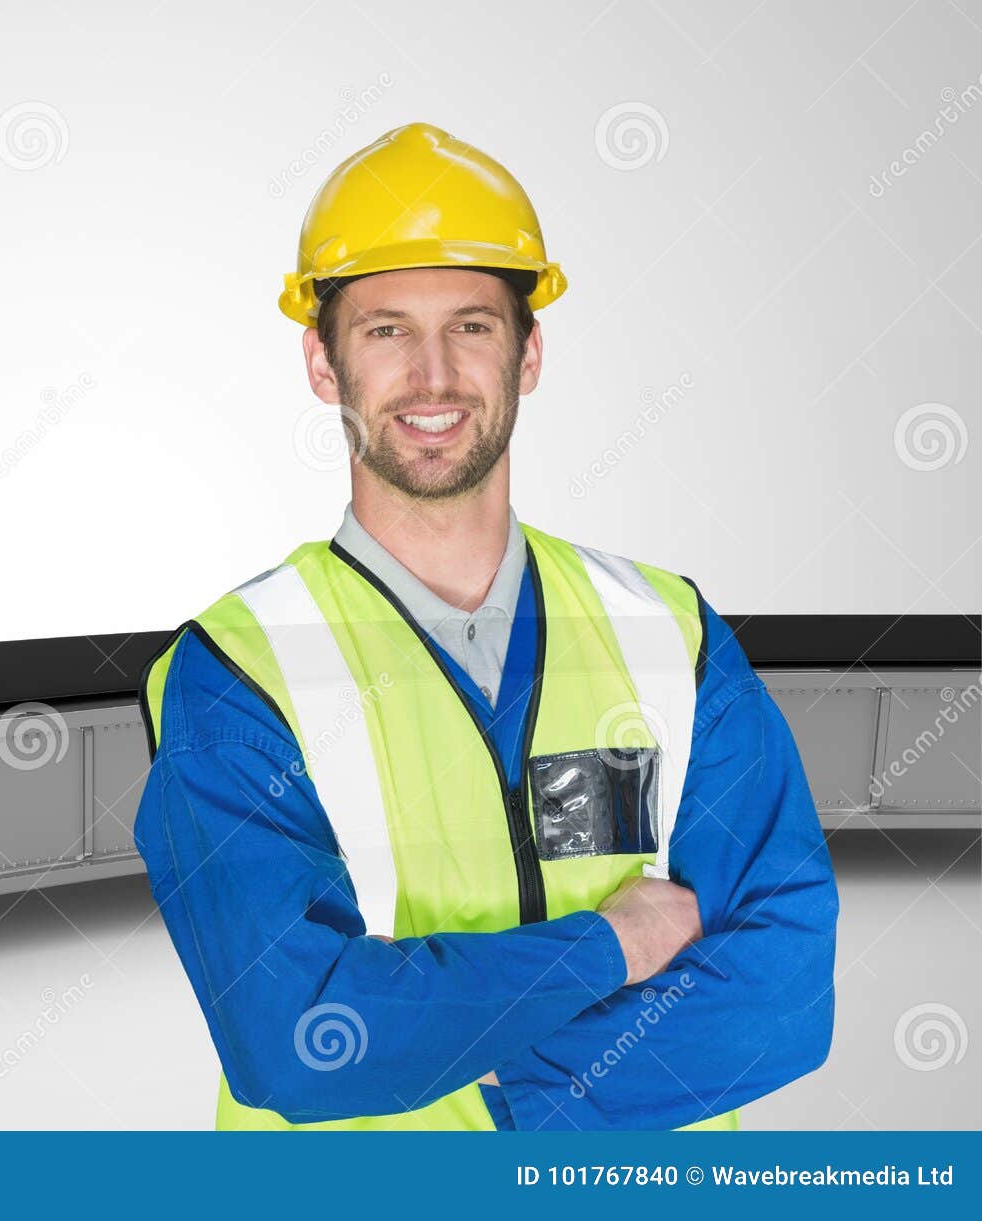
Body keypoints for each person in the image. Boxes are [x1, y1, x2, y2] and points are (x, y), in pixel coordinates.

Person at [132, 122, 839, 1131]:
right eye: (385, 330)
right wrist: (610, 946)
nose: (432, 377)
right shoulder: (238, 671)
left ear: (528, 352)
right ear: (323, 364)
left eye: (470, 326)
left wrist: (496, 1090)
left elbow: (782, 989)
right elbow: (294, 1038)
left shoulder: (668, 632)